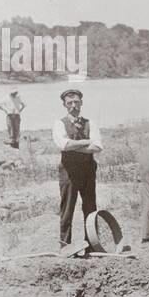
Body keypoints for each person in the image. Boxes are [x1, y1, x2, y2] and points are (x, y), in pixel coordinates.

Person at [52, 88, 102, 249]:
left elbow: (98, 146)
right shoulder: (59, 124)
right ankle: (65, 245)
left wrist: (75, 146)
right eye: (70, 103)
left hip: (88, 169)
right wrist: (86, 142)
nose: (73, 106)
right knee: (67, 208)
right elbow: (64, 145)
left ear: (81, 103)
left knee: (90, 206)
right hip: (69, 171)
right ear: (64, 105)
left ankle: (92, 243)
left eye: (76, 102)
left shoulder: (90, 123)